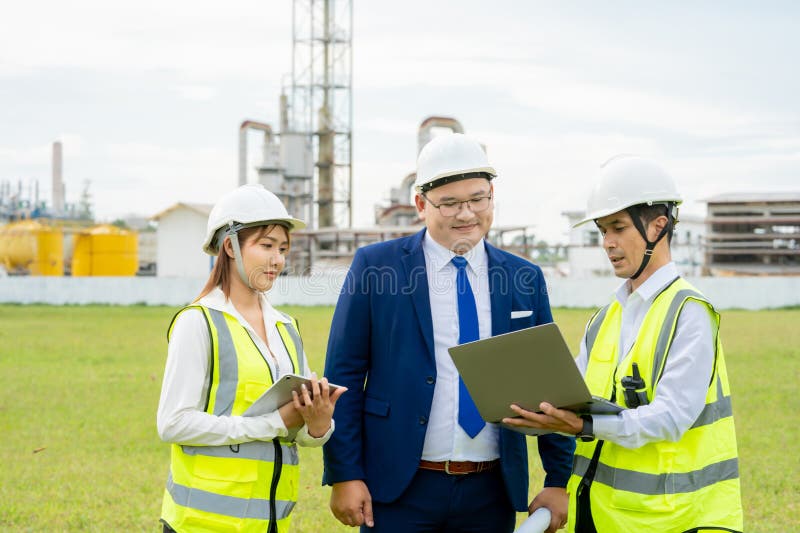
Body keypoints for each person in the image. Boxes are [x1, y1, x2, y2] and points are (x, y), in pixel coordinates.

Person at [322, 133, 576, 533]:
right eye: (451, 203)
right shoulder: (376, 267)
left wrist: (558, 479)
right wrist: (344, 473)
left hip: (491, 491)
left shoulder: (523, 277)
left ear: (492, 195)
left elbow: (548, 384)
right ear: (421, 204)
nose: (467, 213)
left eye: (478, 199)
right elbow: (344, 376)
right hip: (399, 489)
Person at [503, 156, 743, 532]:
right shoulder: (604, 319)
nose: (607, 243)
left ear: (658, 227)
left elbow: (671, 417)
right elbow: (572, 397)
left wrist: (583, 426)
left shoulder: (689, 312)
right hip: (601, 516)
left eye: (617, 228)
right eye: (602, 231)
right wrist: (535, 411)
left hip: (676, 521)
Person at [157, 184, 346, 533]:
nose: (278, 260)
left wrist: (318, 424)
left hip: (271, 523)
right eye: (267, 246)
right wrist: (273, 423)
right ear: (230, 247)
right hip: (203, 525)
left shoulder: (286, 327)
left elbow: (300, 433)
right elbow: (173, 423)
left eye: (283, 249)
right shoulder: (198, 322)